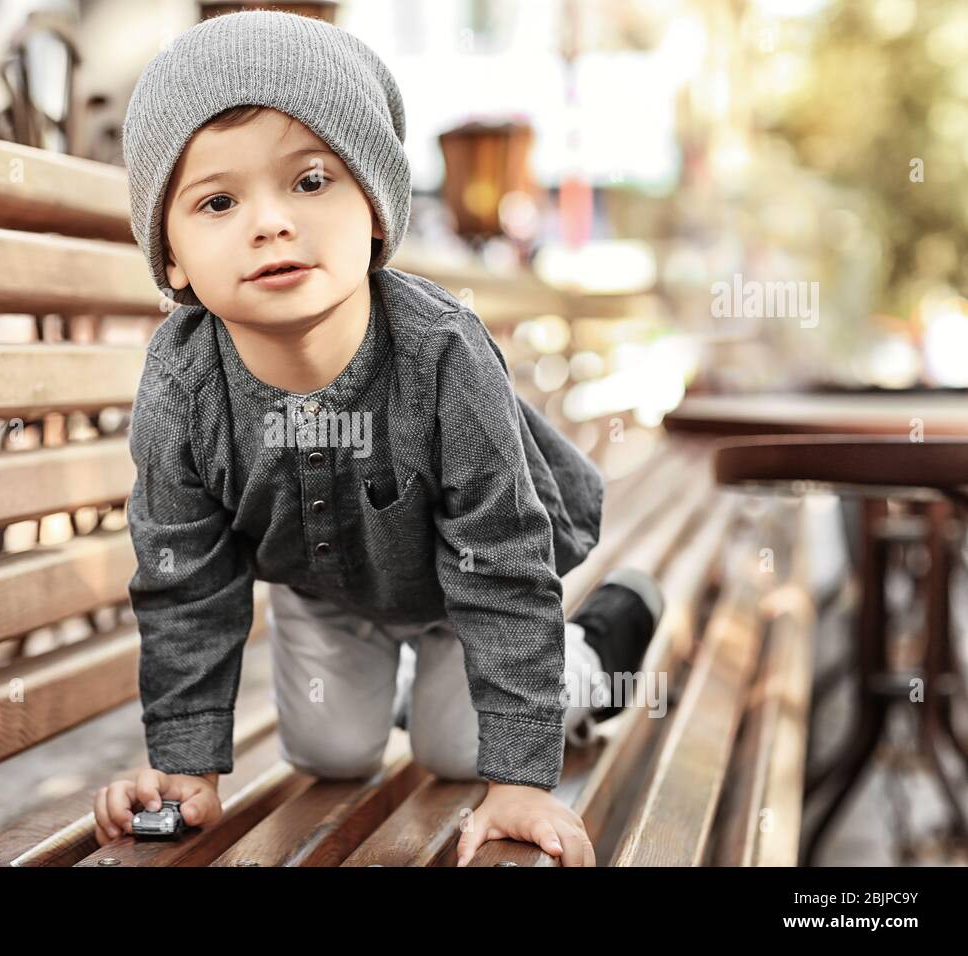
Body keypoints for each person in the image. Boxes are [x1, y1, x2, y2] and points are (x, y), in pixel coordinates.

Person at [94, 9, 664, 867]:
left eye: (311, 182)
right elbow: (184, 580)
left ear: (375, 205)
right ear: (170, 257)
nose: (269, 223)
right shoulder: (182, 385)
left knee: (458, 752)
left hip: (462, 581)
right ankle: (409, 685)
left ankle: (590, 650)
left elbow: (501, 556)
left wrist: (519, 781)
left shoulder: (440, 353)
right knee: (330, 754)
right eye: (217, 201)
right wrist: (185, 764)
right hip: (325, 590)